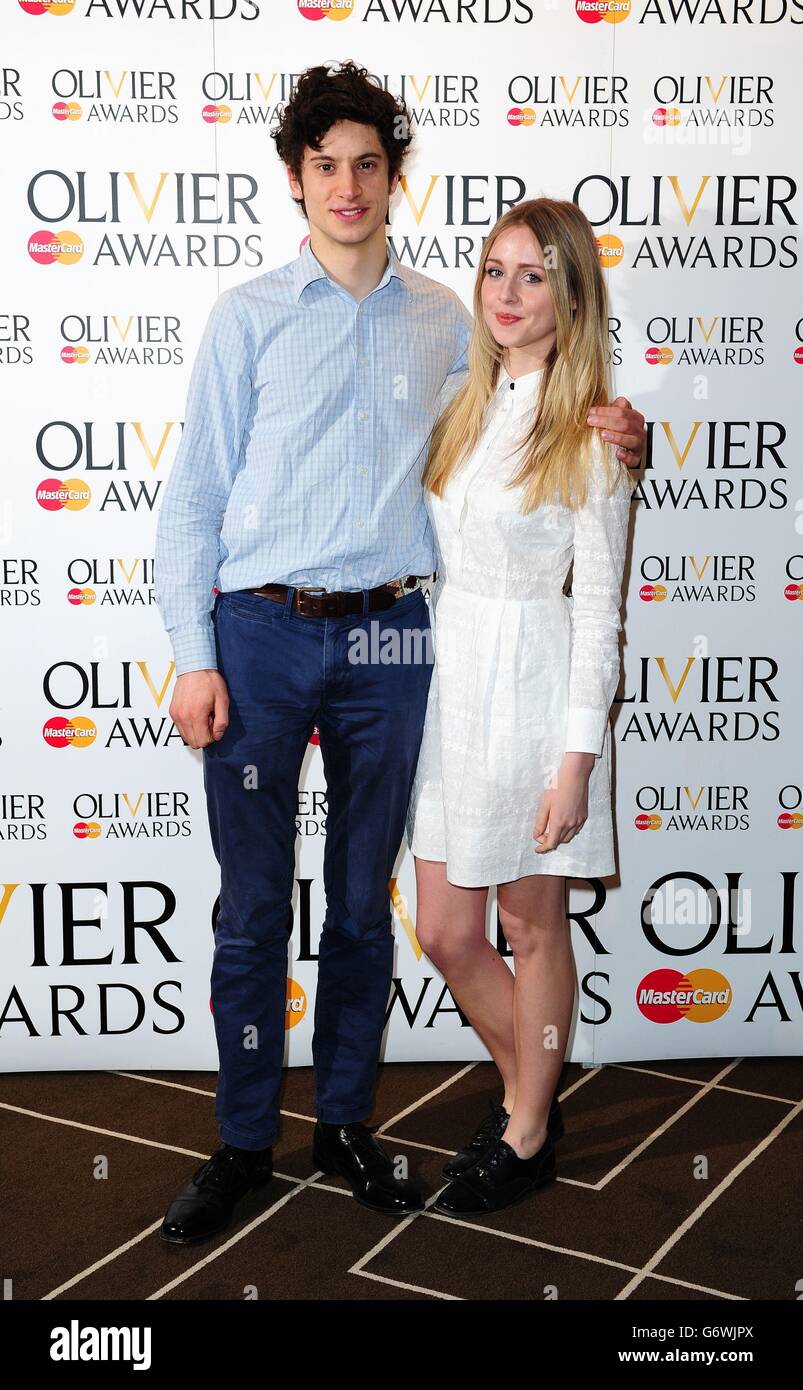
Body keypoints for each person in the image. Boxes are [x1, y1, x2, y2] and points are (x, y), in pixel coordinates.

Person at [153, 60, 646, 1245]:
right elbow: (191, 503)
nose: (347, 185)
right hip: (259, 633)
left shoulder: (447, 323)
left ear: (393, 175)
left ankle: (341, 1127)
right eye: (323, 165)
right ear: (294, 180)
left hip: (394, 643)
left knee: (372, 915)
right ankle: (239, 1142)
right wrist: (190, 650)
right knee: (252, 909)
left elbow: (558, 418)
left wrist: (631, 432)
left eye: (367, 162)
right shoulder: (246, 317)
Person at [406, 198, 639, 1217]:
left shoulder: (593, 430)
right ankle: (526, 1091)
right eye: (495, 271)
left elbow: (598, 616)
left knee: (528, 924)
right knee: (447, 928)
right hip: (446, 684)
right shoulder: (463, 401)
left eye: (532, 274)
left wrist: (575, 758)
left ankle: (529, 1127)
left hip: (534, 688)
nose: (507, 292)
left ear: (569, 294)